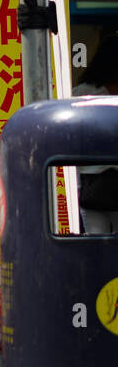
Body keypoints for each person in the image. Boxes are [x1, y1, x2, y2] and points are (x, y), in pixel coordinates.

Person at [73, 35, 118, 235]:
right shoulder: (82, 95)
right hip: (92, 183)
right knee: (96, 240)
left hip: (92, 181)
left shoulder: (79, 93)